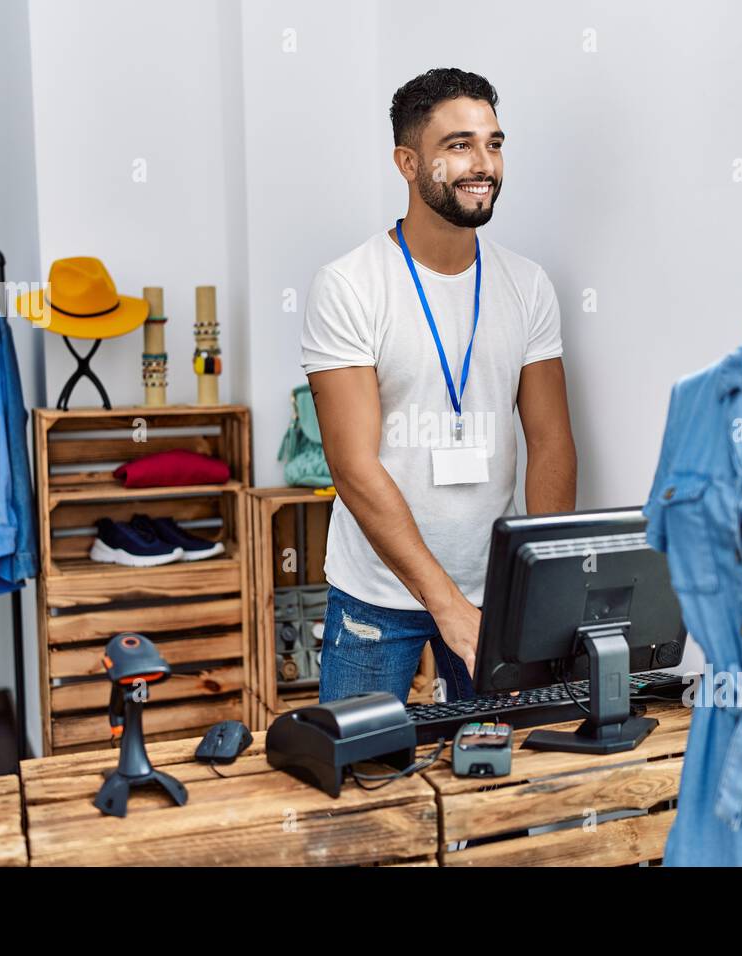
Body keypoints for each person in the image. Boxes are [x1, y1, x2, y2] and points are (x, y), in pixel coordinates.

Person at [301, 67, 577, 705]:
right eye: (459, 145)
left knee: (498, 785)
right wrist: (447, 605)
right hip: (376, 592)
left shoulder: (528, 285)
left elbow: (552, 442)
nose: (483, 163)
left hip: (498, 590)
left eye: (494, 143)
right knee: (365, 784)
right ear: (407, 161)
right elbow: (352, 466)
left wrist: (549, 584)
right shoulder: (348, 285)